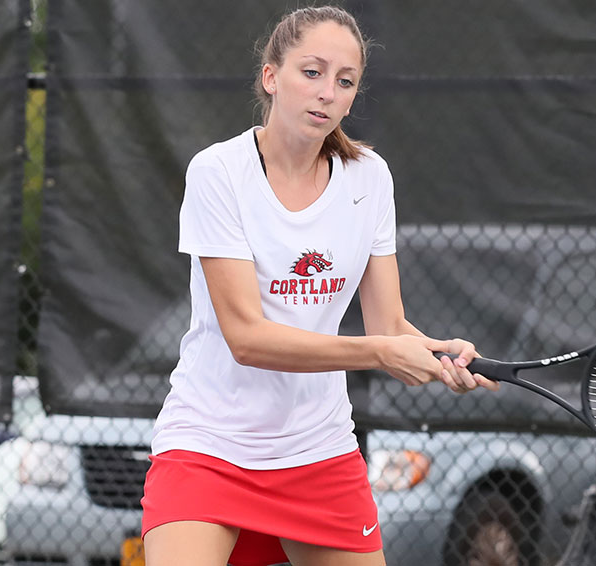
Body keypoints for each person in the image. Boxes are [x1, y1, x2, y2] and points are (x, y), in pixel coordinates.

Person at [140, 6, 499, 566]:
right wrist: (381, 352)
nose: (327, 92)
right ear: (270, 76)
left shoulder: (370, 180)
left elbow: (389, 325)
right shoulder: (217, 173)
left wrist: (435, 352)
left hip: (317, 450)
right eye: (311, 72)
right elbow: (247, 339)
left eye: (345, 80)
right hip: (208, 446)